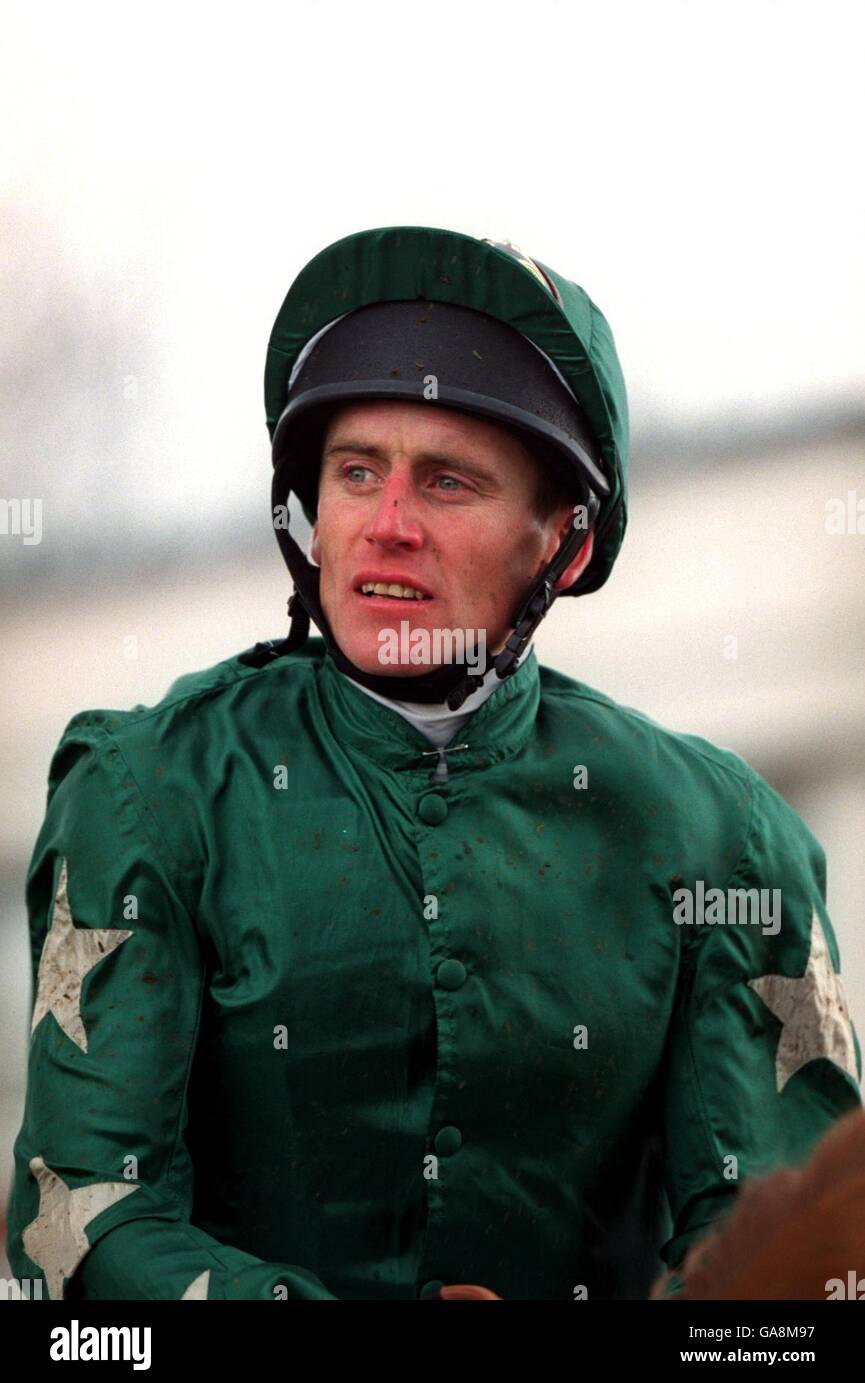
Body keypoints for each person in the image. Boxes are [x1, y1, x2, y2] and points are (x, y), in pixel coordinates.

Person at [6, 227, 861, 1301]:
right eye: (356, 472)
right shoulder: (145, 788)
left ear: (565, 542)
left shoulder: (724, 840)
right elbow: (82, 1216)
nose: (387, 525)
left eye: (448, 483)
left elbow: (785, 1277)